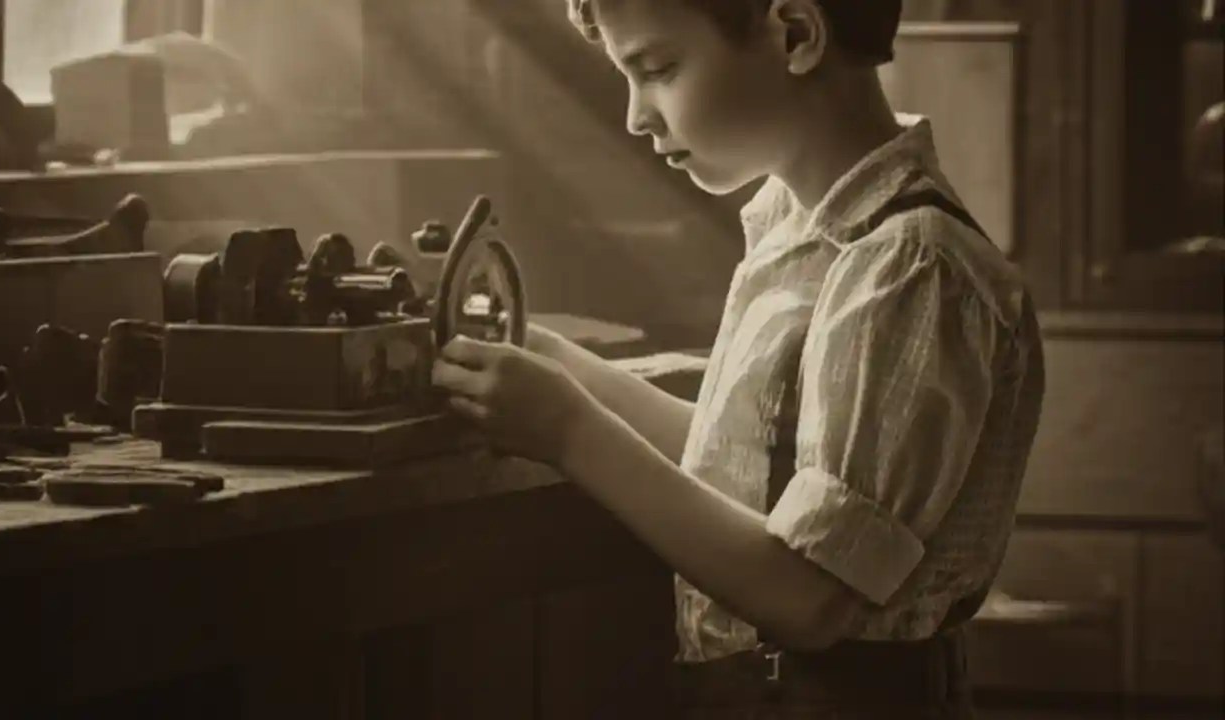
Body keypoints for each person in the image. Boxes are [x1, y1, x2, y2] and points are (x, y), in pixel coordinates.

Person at [431, 0, 1045, 717]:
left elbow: (809, 597)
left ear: (796, 34)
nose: (636, 117)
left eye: (658, 69)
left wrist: (569, 431)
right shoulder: (799, 226)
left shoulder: (910, 268)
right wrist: (550, 359)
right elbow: (739, 464)